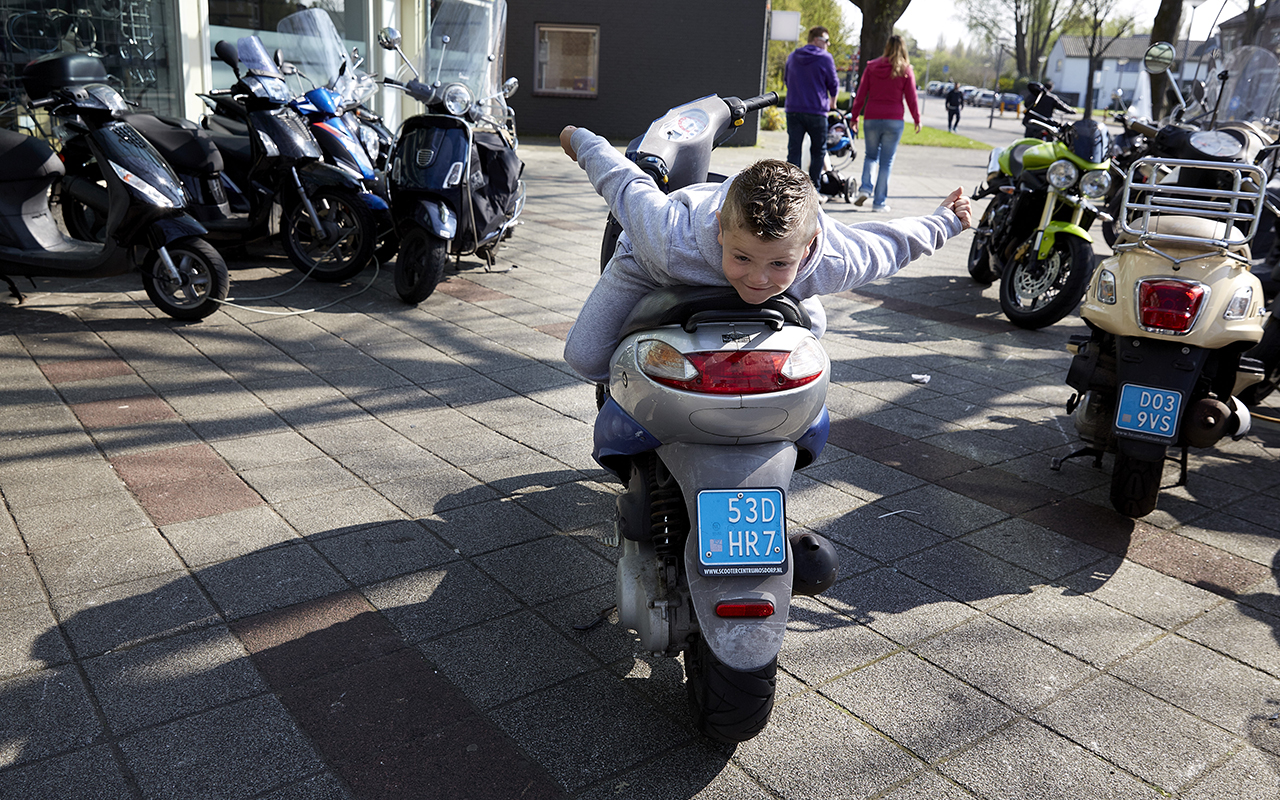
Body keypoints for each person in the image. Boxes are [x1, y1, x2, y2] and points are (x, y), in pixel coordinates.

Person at [555, 124, 973, 383]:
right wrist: (581, 140)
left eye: (778, 263)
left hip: (794, 287)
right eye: (743, 258)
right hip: (649, 271)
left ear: (807, 249)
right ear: (720, 230)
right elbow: (627, 183)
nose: (757, 279)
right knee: (585, 356)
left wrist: (946, 221)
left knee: (812, 326)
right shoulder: (667, 237)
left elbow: (890, 244)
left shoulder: (832, 261)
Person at [848, 35, 921, 213]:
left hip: (872, 118)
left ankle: (865, 188)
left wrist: (855, 117)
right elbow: (911, 98)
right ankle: (879, 203)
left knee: (870, 156)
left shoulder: (872, 67)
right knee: (886, 162)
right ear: (903, 49)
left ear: (887, 47)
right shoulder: (905, 70)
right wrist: (917, 118)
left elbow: (861, 94)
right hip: (894, 120)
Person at [784, 26, 840, 189]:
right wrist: (833, 102)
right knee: (818, 151)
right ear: (817, 40)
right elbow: (833, 84)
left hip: (794, 110)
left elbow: (787, 80)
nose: (828, 45)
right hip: (816, 111)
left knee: (794, 150)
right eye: (826, 41)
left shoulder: (793, 56)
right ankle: (814, 190)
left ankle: (791, 188)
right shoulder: (825, 58)